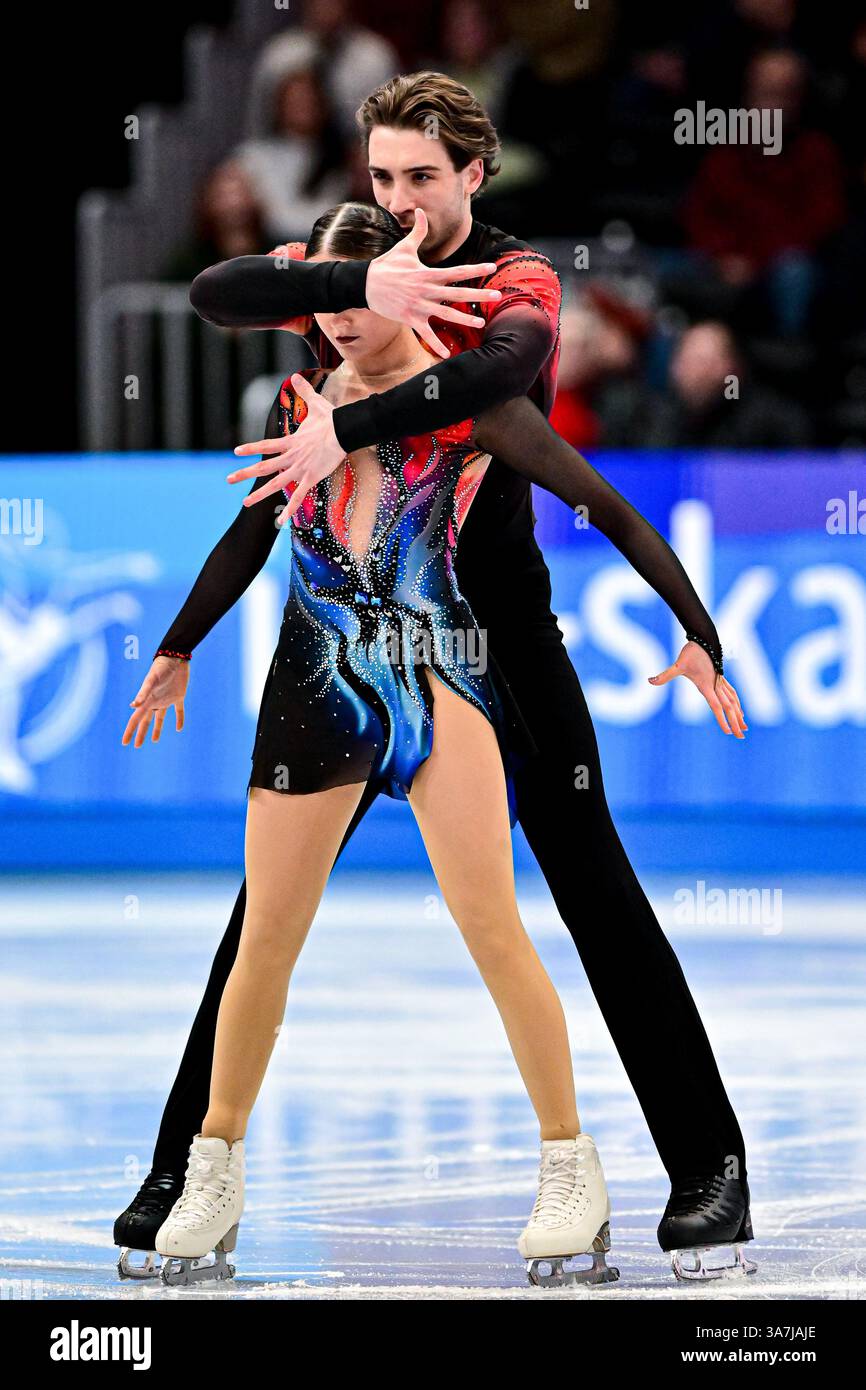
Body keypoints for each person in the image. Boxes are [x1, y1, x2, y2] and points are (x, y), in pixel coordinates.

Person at [115, 72, 754, 1285]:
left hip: (493, 625)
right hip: (350, 631)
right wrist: (354, 277)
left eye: (422, 178)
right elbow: (217, 291)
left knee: (588, 884)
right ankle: (183, 1166)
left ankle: (705, 1169)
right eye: (380, 180)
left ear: (474, 173)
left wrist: (347, 418)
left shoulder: (518, 278)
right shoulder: (349, 261)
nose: (400, 202)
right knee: (265, 912)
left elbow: (487, 383)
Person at [124, 202, 619, 1290]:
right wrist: (176, 647)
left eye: (360, 296)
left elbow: (594, 494)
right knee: (267, 936)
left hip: (441, 677)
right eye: (327, 302)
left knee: (490, 919)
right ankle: (215, 1164)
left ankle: (568, 1167)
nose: (341, 321)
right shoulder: (297, 399)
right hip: (314, 685)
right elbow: (250, 524)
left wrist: (696, 627)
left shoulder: (466, 394)